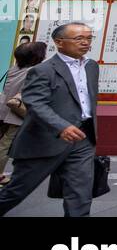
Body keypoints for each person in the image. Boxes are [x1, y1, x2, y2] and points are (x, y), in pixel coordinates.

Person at [0, 23, 99, 217]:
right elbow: (35, 103)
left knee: (80, 193)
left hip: (82, 139)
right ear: (59, 43)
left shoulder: (92, 67)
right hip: (45, 140)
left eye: (88, 38)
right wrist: (61, 126)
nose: (85, 43)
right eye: (79, 38)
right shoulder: (43, 70)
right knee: (16, 192)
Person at [0, 41, 48, 185]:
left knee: (4, 142)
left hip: (4, 110)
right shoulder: (33, 71)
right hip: (16, 112)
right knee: (5, 144)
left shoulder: (14, 68)